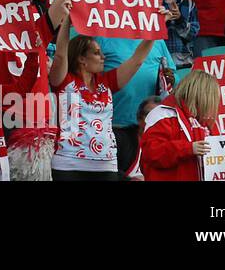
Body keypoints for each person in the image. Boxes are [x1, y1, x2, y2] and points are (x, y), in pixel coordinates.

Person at [48, 10, 156, 180]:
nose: (103, 57)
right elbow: (61, 56)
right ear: (81, 59)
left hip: (106, 164)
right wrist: (68, 20)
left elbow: (137, 60)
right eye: (97, 53)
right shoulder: (63, 81)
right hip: (68, 163)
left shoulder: (106, 83)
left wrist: (154, 30)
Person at [135, 70, 220, 180]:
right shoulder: (163, 115)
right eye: (212, 98)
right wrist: (188, 148)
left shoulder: (205, 122)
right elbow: (152, 153)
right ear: (201, 96)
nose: (213, 104)